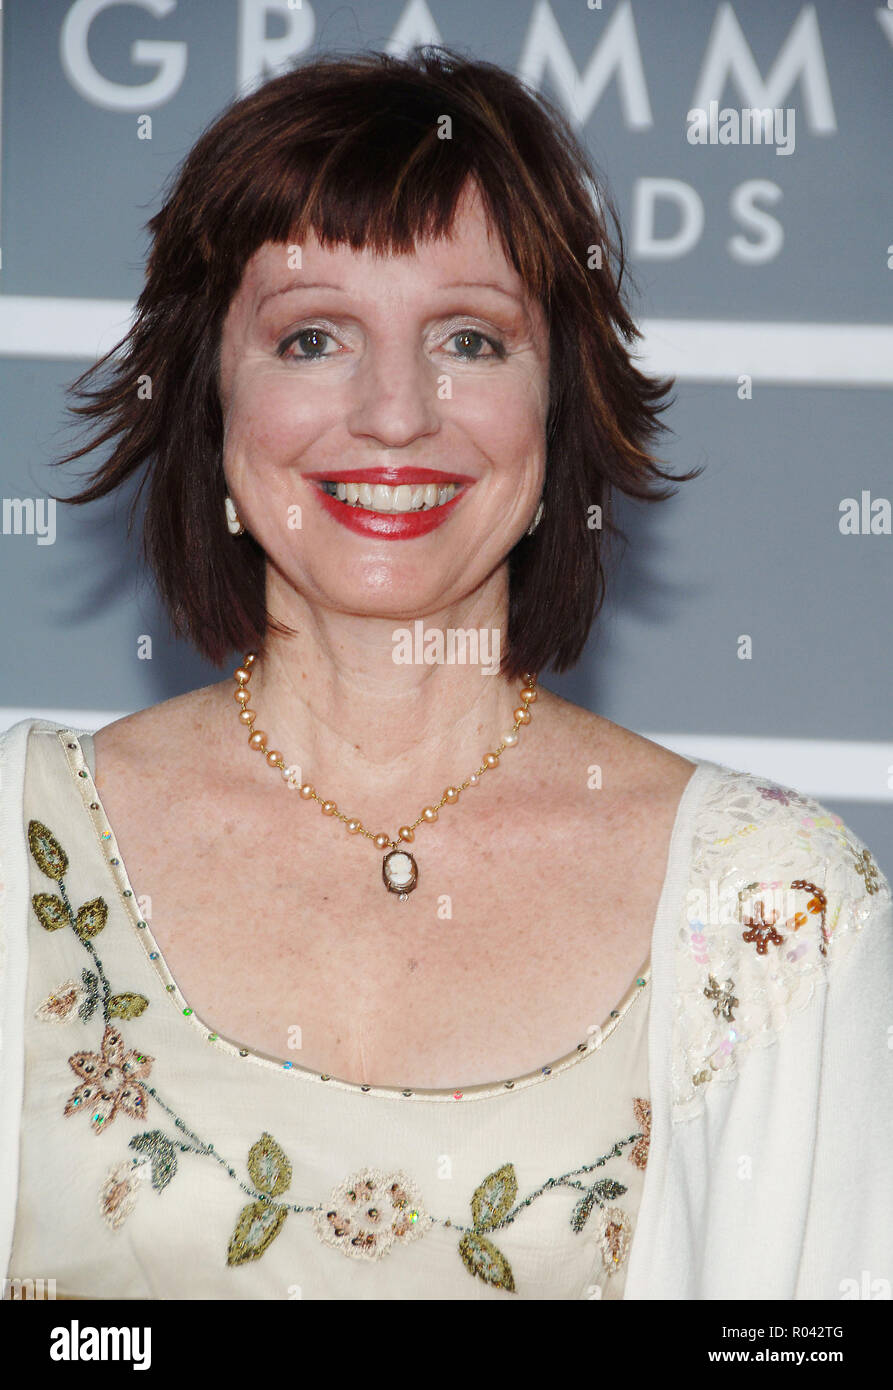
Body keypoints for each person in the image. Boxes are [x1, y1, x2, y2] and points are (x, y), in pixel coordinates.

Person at [0, 46, 889, 1302]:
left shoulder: (774, 912)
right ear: (208, 394)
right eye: (312, 337)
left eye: (468, 339)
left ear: (558, 404)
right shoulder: (16, 849)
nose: (395, 413)